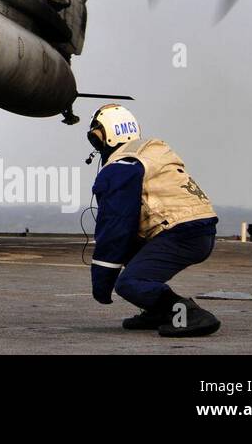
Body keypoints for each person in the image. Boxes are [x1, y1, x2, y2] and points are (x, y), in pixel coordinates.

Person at [87, 104, 221, 336]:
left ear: (104, 137)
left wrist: (102, 284)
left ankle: (188, 313)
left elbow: (115, 227)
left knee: (130, 283)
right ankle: (156, 311)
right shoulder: (150, 152)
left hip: (180, 233)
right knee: (133, 250)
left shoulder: (121, 167)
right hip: (200, 229)